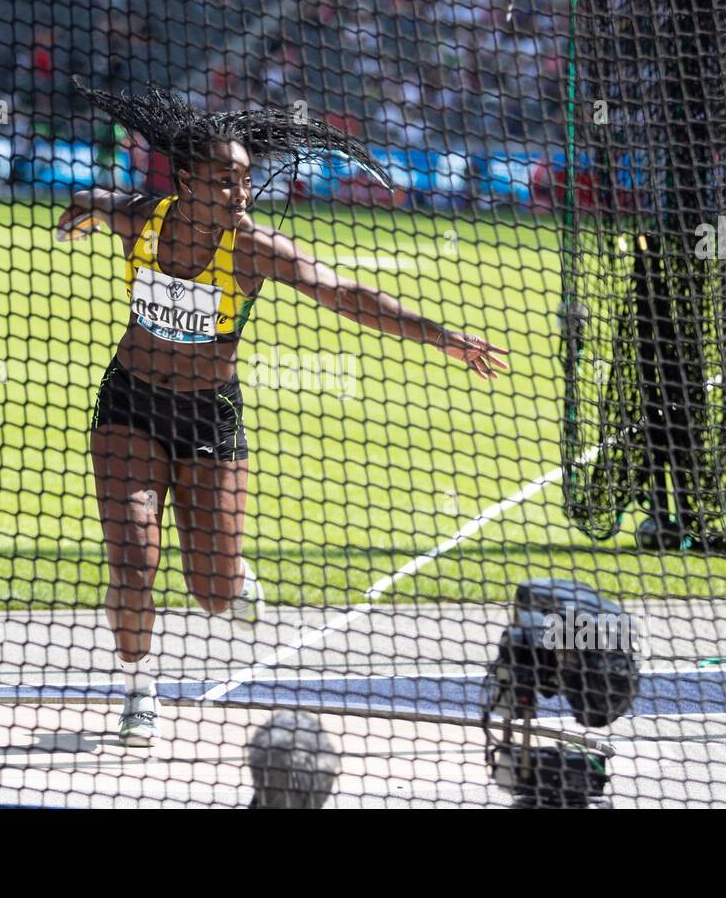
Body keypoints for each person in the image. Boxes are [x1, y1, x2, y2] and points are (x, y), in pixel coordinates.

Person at [56, 83, 509, 746]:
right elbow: (98, 200)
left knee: (211, 593)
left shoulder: (255, 247)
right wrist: (83, 210)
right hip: (130, 405)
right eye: (226, 181)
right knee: (133, 560)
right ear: (186, 180)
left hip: (209, 419)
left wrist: (442, 335)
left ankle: (234, 578)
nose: (242, 194)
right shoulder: (142, 220)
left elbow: (343, 293)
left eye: (246, 181)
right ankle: (138, 689)